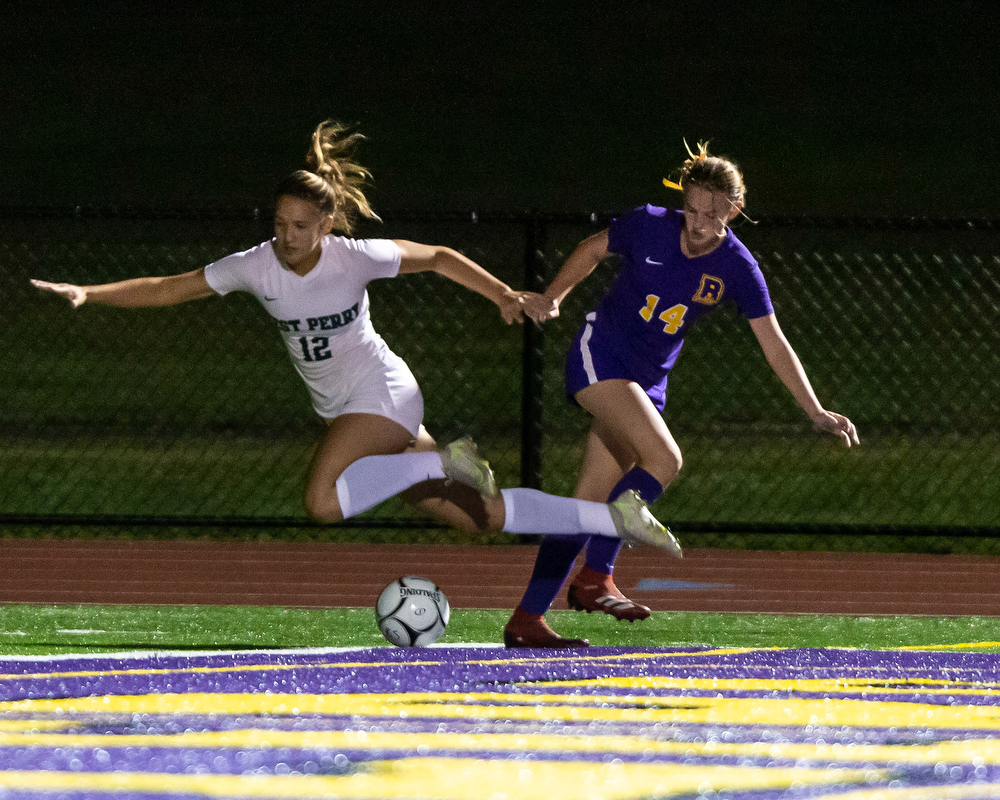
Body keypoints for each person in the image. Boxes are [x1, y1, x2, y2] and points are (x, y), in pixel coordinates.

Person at [32, 120, 681, 579]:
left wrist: (502, 293)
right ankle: (608, 522)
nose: (286, 237)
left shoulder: (352, 258)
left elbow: (439, 257)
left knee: (322, 501)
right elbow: (170, 288)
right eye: (279, 224)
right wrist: (92, 293)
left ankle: (445, 459)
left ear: (327, 224)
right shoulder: (255, 266)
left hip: (384, 395)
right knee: (480, 517)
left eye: (300, 226)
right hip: (351, 409)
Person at [504, 141, 860, 649]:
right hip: (600, 357)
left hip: (647, 381)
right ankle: (597, 572)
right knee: (664, 459)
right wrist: (553, 297)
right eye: (692, 208)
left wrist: (815, 410)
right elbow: (592, 248)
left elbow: (773, 342)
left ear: (735, 210)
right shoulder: (650, 223)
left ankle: (530, 617)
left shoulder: (738, 266)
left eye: (712, 213)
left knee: (585, 503)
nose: (697, 223)